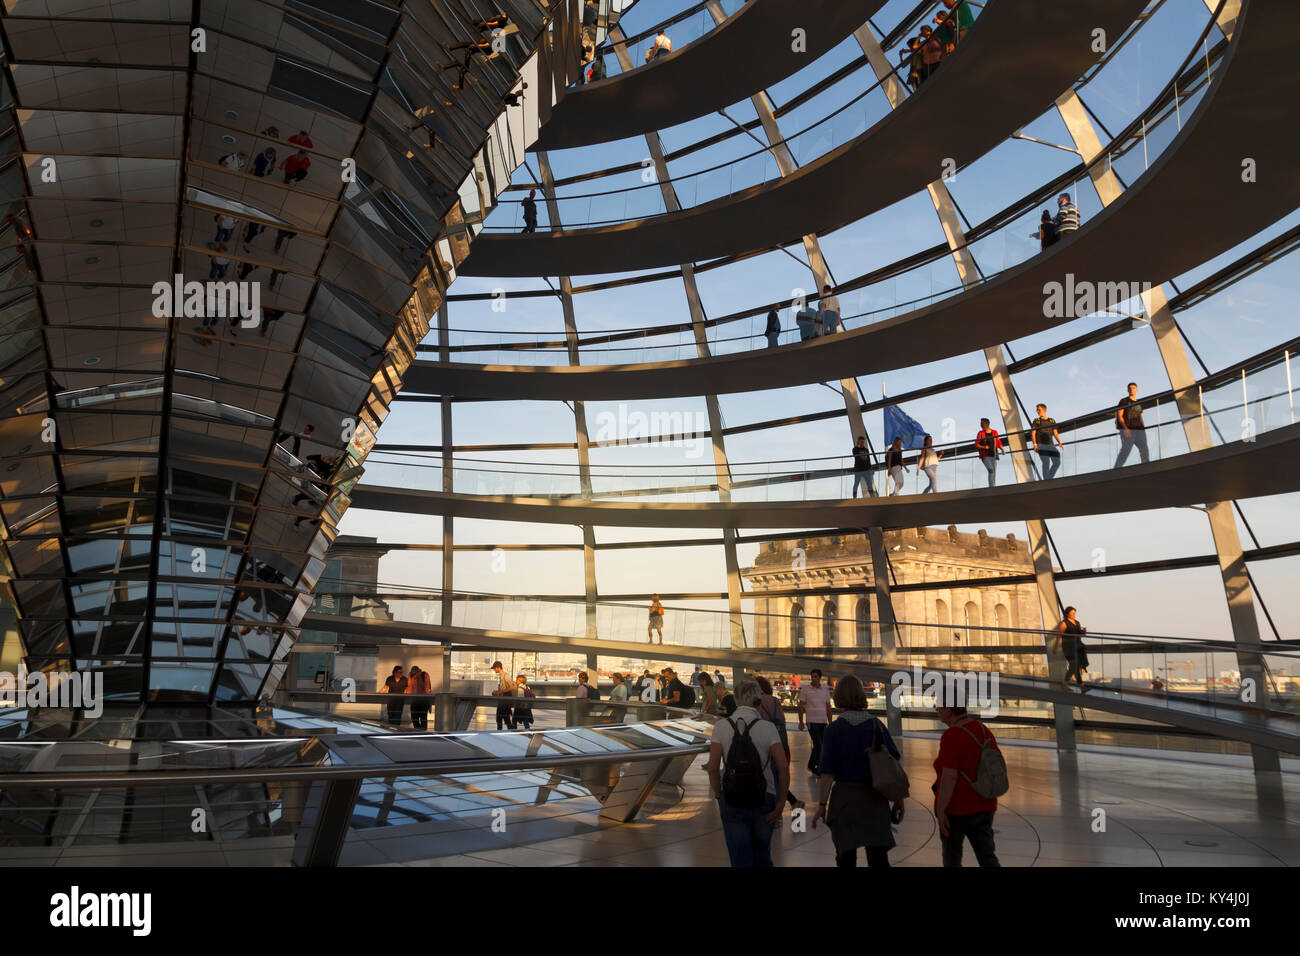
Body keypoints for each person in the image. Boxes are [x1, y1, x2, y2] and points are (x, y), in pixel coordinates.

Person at [809, 675, 904, 866]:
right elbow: (893, 764)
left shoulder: (834, 730)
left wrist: (821, 805)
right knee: (878, 859)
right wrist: (898, 799)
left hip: (845, 801)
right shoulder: (877, 725)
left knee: (845, 858)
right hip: (874, 799)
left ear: (838, 697)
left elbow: (827, 773)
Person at [706, 679, 789, 867]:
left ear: (735, 700)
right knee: (762, 855)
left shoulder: (721, 727)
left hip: (732, 797)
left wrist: (719, 794)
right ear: (758, 701)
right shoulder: (768, 728)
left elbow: (712, 767)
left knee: (740, 858)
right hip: (763, 796)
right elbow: (782, 766)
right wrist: (781, 802)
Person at [934, 703, 1002, 867]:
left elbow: (949, 776)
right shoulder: (984, 730)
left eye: (938, 706)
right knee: (987, 856)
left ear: (949, 708)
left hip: (958, 808)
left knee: (952, 858)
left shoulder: (952, 735)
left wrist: (941, 809)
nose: (936, 710)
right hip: (985, 804)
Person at [755, 675, 803, 810]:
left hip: (766, 745)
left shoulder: (757, 702)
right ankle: (793, 802)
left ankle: (778, 811)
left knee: (771, 780)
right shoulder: (775, 701)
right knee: (778, 777)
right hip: (781, 743)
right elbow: (781, 720)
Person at [797, 668, 832, 774]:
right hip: (811, 721)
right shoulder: (806, 689)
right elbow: (800, 706)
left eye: (816, 676)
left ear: (820, 678)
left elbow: (828, 707)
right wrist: (801, 721)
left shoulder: (825, 690)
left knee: (821, 744)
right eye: (812, 676)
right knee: (818, 744)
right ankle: (817, 766)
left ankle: (812, 764)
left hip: (822, 721)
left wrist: (830, 723)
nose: (813, 678)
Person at [1114, 382, 1149, 467]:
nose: (1131, 389)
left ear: (1137, 390)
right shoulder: (1124, 401)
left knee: (1144, 449)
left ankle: (1146, 466)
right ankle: (1116, 469)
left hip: (1139, 430)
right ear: (1127, 390)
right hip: (1129, 429)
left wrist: (1143, 429)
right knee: (1126, 450)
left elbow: (1140, 416)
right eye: (1130, 388)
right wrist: (1125, 429)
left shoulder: (1139, 402)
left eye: (1133, 388)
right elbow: (1119, 416)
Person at [1056, 606, 1089, 690]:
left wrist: (1083, 632)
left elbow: (1080, 633)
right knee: (1074, 665)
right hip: (1068, 648)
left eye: (1075, 613)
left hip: (1078, 646)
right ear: (1067, 614)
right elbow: (1059, 636)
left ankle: (1078, 686)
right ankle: (1068, 684)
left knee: (1075, 665)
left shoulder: (1077, 623)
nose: (1074, 615)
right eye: (1072, 613)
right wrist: (1055, 647)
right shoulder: (1064, 623)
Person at [1030, 403, 1063, 480]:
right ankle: (1046, 480)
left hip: (1051, 445)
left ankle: (1048, 478)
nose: (1037, 411)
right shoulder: (1036, 421)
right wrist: (1035, 444)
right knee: (1046, 462)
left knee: (1057, 462)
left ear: (1044, 410)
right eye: (1037, 410)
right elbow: (1033, 433)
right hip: (1041, 445)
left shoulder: (1051, 420)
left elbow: (1055, 433)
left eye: (1039, 409)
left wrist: (1059, 442)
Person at [974, 418, 1003, 487]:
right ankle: (991, 487)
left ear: (987, 424)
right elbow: (976, 444)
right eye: (981, 424)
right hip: (985, 455)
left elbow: (998, 442)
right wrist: (984, 447)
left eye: (982, 424)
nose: (981, 425)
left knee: (994, 472)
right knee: (991, 470)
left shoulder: (994, 432)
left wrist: (1002, 449)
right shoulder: (980, 433)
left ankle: (993, 486)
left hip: (993, 454)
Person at [491, 660, 514, 730]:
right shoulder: (501, 676)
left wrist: (499, 692)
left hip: (505, 701)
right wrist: (498, 692)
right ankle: (508, 731)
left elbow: (511, 687)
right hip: (503, 700)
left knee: (502, 718)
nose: (494, 670)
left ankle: (507, 732)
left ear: (498, 668)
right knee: (501, 718)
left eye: (494, 668)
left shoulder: (506, 676)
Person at [406, 665, 431, 730]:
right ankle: (418, 730)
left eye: (415, 674)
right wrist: (408, 697)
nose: (414, 676)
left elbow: (427, 688)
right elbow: (409, 687)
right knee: (414, 718)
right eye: (413, 674)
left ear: (418, 672)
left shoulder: (424, 675)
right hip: (414, 701)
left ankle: (422, 732)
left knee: (423, 718)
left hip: (423, 701)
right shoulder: (410, 675)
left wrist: (427, 699)